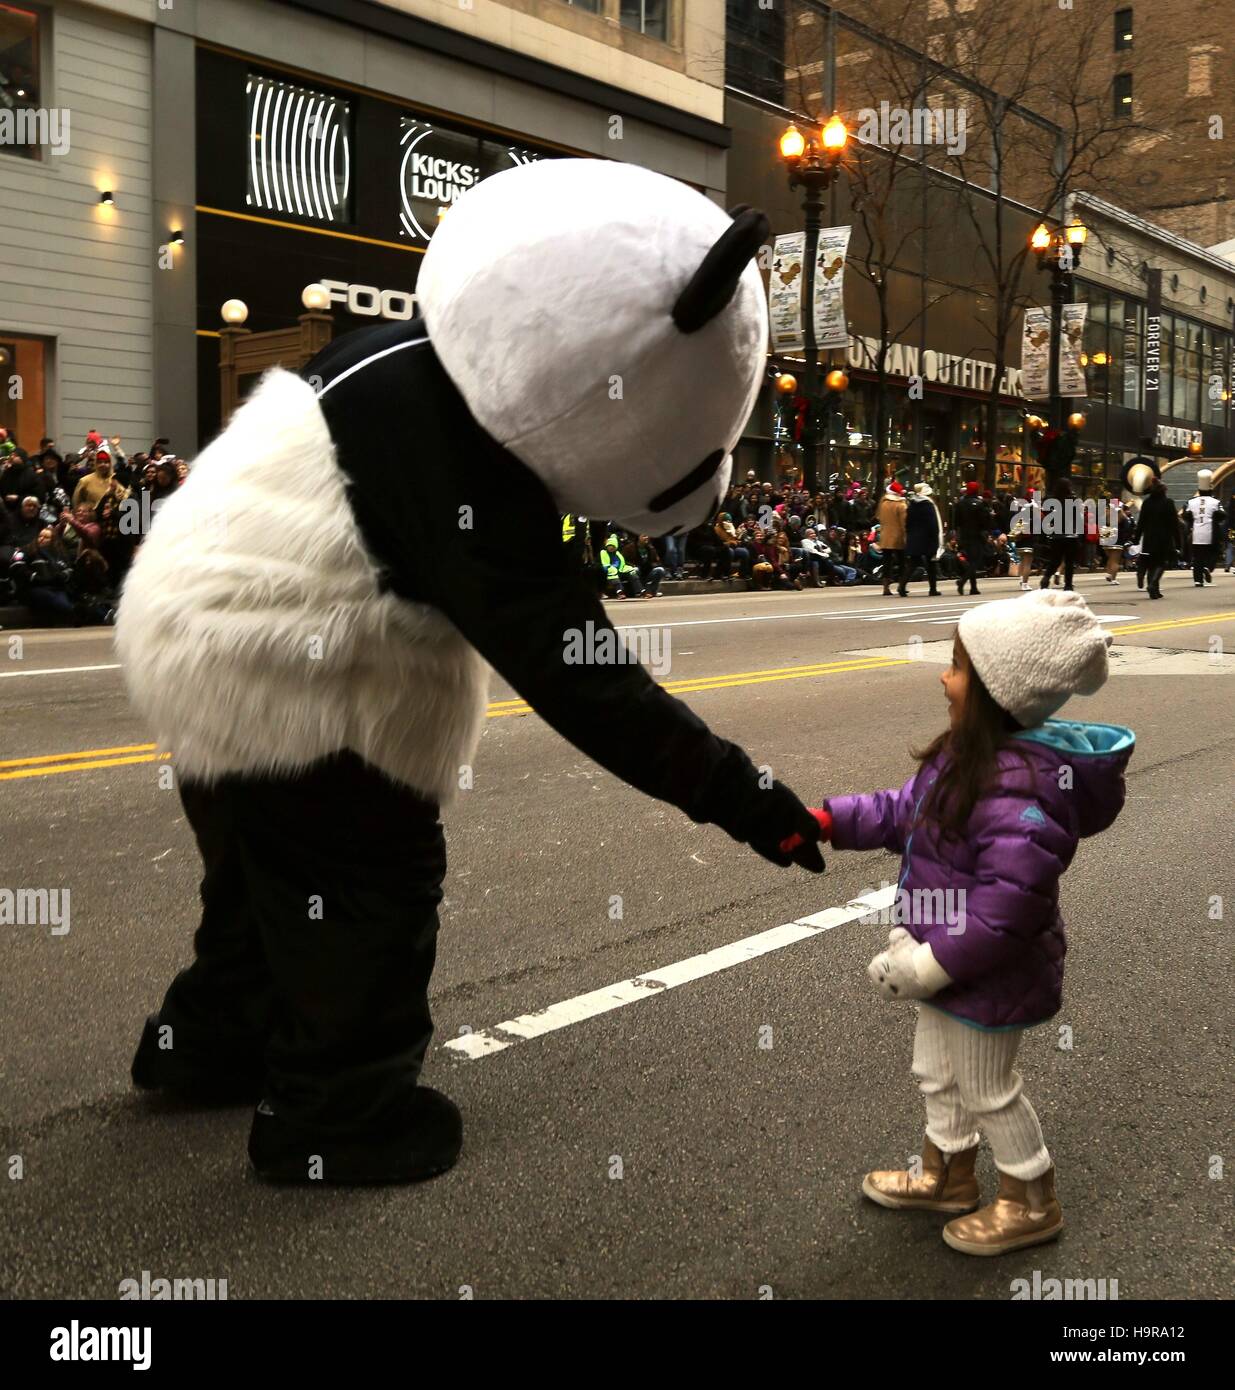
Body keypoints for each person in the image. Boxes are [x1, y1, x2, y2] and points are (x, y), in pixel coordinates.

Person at [117, 160, 826, 1187]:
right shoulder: (470, 471)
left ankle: (206, 1046)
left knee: (264, 877)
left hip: (193, 639)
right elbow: (580, 674)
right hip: (304, 678)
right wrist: (739, 793)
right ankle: (336, 1116)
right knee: (367, 889)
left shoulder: (381, 353)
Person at [798, 590, 1132, 1255]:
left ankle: (1030, 1199)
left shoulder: (1022, 788)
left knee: (986, 1087)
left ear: (995, 690)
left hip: (984, 973)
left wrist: (924, 967)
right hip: (941, 955)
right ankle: (945, 1176)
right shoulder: (966, 755)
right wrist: (831, 822)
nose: (943, 677)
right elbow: (904, 811)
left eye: (956, 665)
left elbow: (1006, 911)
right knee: (936, 1072)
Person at [1134, 479, 1181, 600]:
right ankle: (1153, 583)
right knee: (1161, 562)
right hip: (1164, 538)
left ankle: (1154, 590)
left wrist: (1136, 538)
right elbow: (1174, 524)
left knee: (1151, 563)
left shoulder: (1147, 503)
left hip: (1149, 537)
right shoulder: (1168, 502)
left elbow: (1141, 522)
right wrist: (1178, 542)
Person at [1184, 468, 1225, 587]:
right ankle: (1207, 567)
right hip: (1211, 533)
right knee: (1214, 552)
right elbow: (1223, 515)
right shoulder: (1215, 502)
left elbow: (1185, 515)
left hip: (1196, 532)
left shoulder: (1191, 502)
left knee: (1197, 557)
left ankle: (1198, 580)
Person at [904, 482, 944, 597]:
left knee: (913, 563)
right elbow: (933, 524)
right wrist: (936, 540)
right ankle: (933, 589)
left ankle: (902, 585)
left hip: (914, 538)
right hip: (928, 539)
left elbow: (907, 523)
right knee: (931, 565)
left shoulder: (912, 505)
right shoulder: (929, 505)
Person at [953, 481, 990, 596]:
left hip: (964, 535)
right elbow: (984, 521)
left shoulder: (960, 504)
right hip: (976, 535)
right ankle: (962, 581)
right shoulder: (980, 504)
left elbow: (956, 521)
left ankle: (973, 587)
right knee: (975, 561)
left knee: (970, 560)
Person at [875, 479, 908, 597]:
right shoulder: (901, 505)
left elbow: (878, 517)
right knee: (902, 562)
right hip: (898, 536)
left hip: (885, 536)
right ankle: (902, 585)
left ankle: (885, 586)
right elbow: (904, 523)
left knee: (887, 562)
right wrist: (906, 536)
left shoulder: (882, 503)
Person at [1009, 491, 1040, 591]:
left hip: (1019, 536)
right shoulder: (1033, 507)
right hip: (1029, 537)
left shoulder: (1019, 507)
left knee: (1022, 560)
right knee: (1028, 562)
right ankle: (1025, 583)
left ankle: (1022, 579)